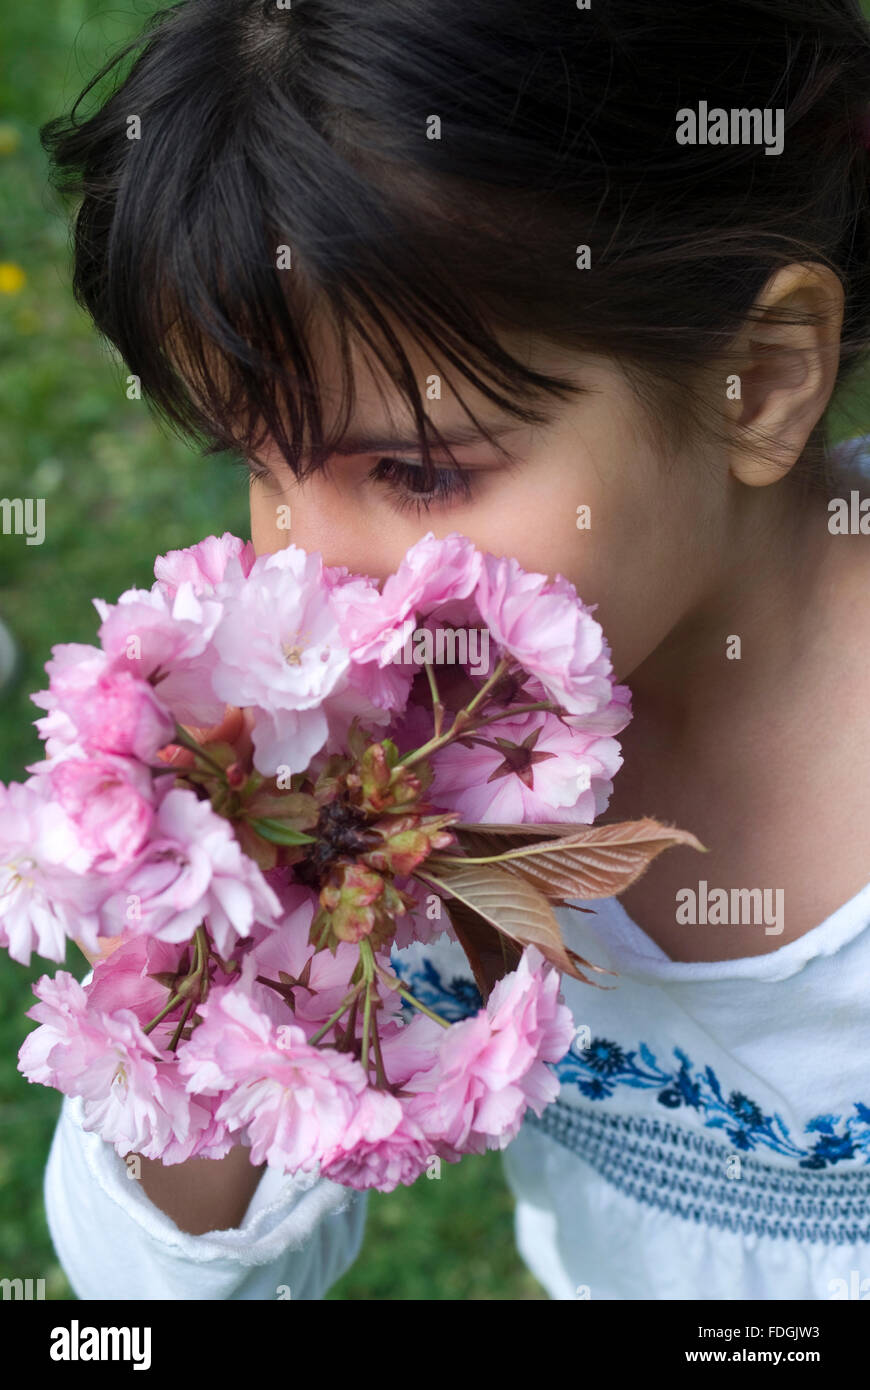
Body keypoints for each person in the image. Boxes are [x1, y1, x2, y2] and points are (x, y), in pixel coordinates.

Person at [38, 0, 870, 1299]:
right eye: (254, 467)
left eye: (417, 471)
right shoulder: (365, 803)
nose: (303, 572)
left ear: (753, 382)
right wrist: (194, 987)